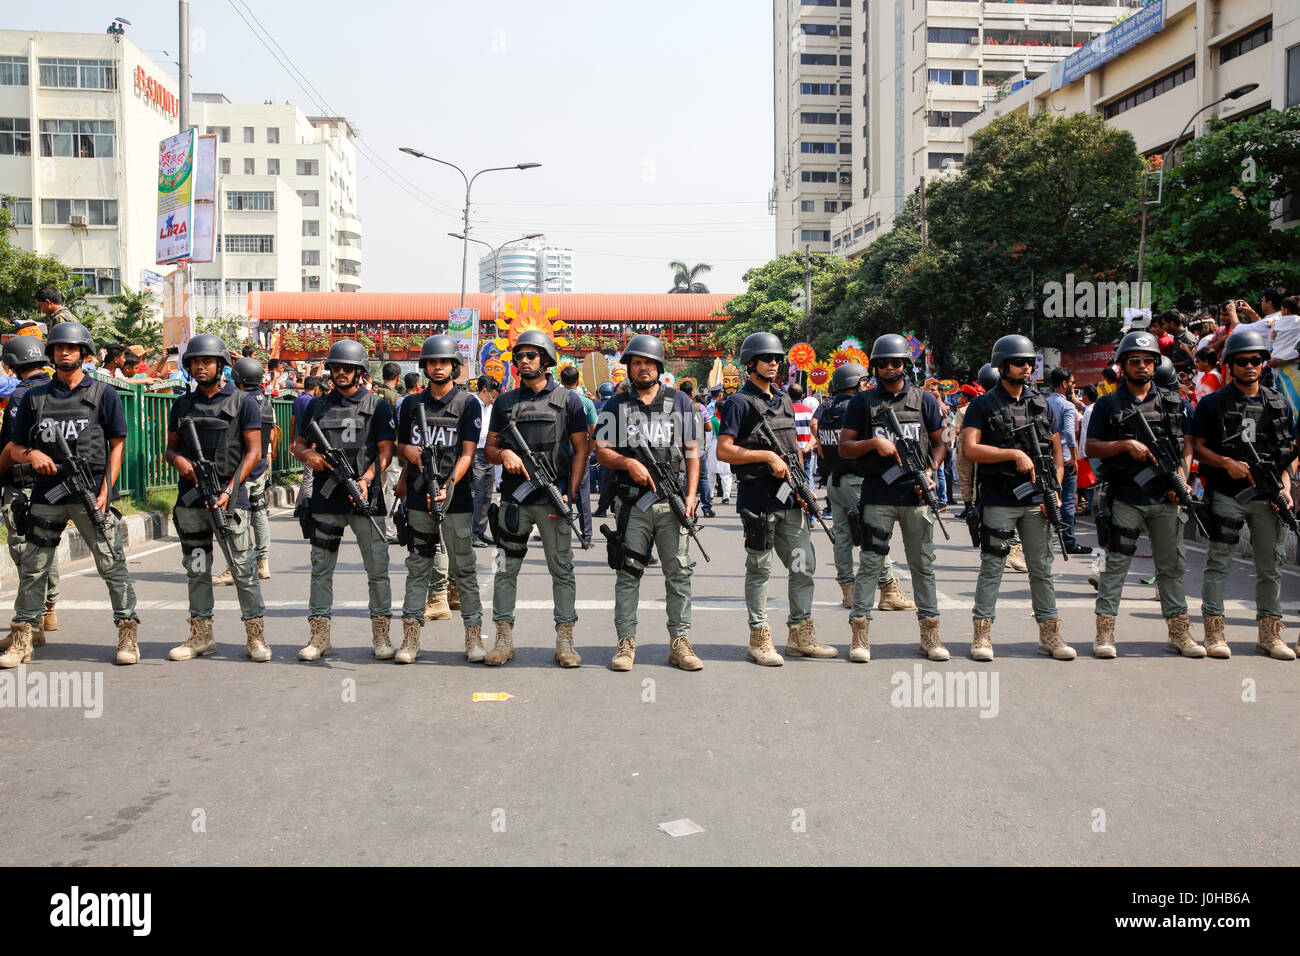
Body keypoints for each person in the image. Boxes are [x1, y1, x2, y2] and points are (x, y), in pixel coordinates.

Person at [0, 322, 141, 667]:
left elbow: (117, 444)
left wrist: (107, 490)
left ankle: (127, 633)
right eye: (58, 348)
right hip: (47, 493)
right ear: (50, 354)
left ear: (84, 354)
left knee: (112, 563)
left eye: (71, 348)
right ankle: (23, 636)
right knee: (34, 566)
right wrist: (31, 454)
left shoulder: (103, 394)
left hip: (91, 491)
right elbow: (16, 446)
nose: (64, 352)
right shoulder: (35, 397)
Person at [717, 332, 836, 666]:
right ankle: (759, 638)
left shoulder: (783, 400)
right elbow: (723, 449)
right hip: (758, 500)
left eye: (777, 359)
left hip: (790, 500)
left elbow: (793, 448)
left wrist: (804, 484)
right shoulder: (738, 403)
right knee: (760, 569)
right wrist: (765, 459)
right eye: (767, 358)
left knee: (803, 565)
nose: (773, 363)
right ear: (751, 363)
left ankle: (800, 634)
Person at [1084, 331, 1203, 659]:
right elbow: (1091, 446)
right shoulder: (1108, 404)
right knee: (1116, 566)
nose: (1141, 366)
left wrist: (1183, 478)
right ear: (1122, 366)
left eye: (1147, 360)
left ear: (1156, 364)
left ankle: (1179, 634)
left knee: (1172, 567)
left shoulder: (1173, 402)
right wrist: (1124, 445)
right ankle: (1104, 633)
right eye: (1133, 360)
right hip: (1125, 498)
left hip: (1165, 498)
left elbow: (1188, 444)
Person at [593, 334, 703, 671]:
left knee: (679, 574)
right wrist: (628, 463)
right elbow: (601, 450)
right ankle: (626, 644)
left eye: (648, 363)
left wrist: (691, 497)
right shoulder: (616, 405)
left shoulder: (681, 402)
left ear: (659, 367)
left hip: (672, 504)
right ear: (629, 368)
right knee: (628, 574)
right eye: (636, 363)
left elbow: (692, 451)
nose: (642, 368)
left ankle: (680, 643)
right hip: (632, 504)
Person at [960, 334, 1073, 662]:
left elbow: (1057, 457)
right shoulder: (983, 405)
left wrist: (1055, 488)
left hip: (1037, 500)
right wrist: (1011, 454)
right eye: (1020, 362)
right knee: (993, 567)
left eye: (1030, 362)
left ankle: (1050, 635)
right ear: (1002, 365)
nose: (1027, 367)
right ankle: (982, 636)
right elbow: (970, 448)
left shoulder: (1043, 404)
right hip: (999, 498)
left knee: (1041, 567)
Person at [837, 335, 949, 663]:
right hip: (877, 494)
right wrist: (874, 444)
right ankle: (859, 636)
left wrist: (930, 470)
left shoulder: (924, 400)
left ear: (905, 364)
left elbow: (941, 441)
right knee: (871, 564)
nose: (889, 368)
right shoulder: (862, 403)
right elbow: (845, 447)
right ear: (874, 366)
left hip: (916, 494)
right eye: (882, 363)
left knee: (922, 565)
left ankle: (930, 635)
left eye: (895, 362)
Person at [1191, 328, 1299, 660]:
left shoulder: (1279, 404)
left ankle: (1270, 635)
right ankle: (1214, 633)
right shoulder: (1213, 404)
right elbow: (1197, 448)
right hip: (1227, 493)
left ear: (1264, 363)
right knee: (1219, 562)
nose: (1250, 366)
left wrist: (1286, 483)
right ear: (1230, 365)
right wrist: (1225, 463)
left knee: (1271, 566)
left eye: (1256, 360)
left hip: (1267, 496)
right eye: (1242, 361)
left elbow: (1289, 452)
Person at [482, 331, 589, 667]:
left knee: (562, 570)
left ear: (546, 360)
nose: (524, 360)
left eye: (531, 355)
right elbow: (489, 448)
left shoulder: (568, 401)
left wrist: (569, 495)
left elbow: (582, 449)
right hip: (515, 499)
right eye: (521, 356)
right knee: (505, 569)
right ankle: (503, 637)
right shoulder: (505, 402)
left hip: (552, 497)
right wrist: (505, 456)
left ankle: (565, 639)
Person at [164, 338, 270, 662]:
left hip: (230, 499)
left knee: (242, 569)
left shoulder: (243, 403)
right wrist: (178, 461)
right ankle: (201, 636)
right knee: (197, 569)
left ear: (222, 364)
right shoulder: (182, 405)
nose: (200, 366)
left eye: (207, 361)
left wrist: (229, 490)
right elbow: (171, 448)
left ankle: (255, 637)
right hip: (192, 501)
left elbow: (254, 451)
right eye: (195, 361)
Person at [290, 340, 396, 661]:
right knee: (321, 569)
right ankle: (319, 636)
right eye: (335, 367)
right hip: (326, 500)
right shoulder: (317, 405)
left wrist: (365, 479)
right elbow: (298, 444)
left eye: (347, 368)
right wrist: (311, 456)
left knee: (377, 569)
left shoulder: (377, 406)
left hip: (366, 500)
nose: (340, 373)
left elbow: (385, 451)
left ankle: (381, 635)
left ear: (360, 371)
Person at [394, 336, 483, 663]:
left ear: (454, 366)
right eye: (432, 362)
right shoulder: (409, 404)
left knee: (464, 567)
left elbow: (468, 454)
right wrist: (409, 451)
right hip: (419, 496)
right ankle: (410, 639)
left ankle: (474, 638)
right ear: (425, 367)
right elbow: (398, 447)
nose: (438, 366)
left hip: (455, 498)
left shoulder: (468, 403)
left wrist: (447, 485)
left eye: (444, 362)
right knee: (418, 566)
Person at [813, 361, 916, 612]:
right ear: (855, 383)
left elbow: (822, 448)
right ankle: (889, 590)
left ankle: (848, 591)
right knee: (874, 536)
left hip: (834, 481)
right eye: (863, 382)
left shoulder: (826, 410)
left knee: (842, 539)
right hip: (857, 479)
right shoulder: (857, 407)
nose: (866, 386)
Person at [0, 337, 60, 646]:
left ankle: (30, 622)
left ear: (12, 365)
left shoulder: (21, 396)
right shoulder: (56, 389)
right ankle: (49, 609)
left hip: (22, 482)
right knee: (45, 543)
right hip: (50, 483)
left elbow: (12, 447)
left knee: (24, 548)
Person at [211, 357, 276, 585]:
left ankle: (234, 566)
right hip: (260, 466)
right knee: (259, 514)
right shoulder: (265, 401)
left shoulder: (240, 401)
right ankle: (263, 563)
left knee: (237, 517)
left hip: (242, 467)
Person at [1046, 366, 1090, 555]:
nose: (1074, 386)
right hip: (1065, 459)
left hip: (1048, 459)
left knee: (1047, 500)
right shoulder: (1067, 406)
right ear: (1064, 384)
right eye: (1072, 383)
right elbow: (1070, 436)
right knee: (1068, 502)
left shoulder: (1045, 403)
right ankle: (1069, 541)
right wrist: (1074, 459)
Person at [560, 365, 597, 548]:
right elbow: (594, 431)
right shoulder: (587, 403)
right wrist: (589, 452)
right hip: (579, 452)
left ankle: (556, 533)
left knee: (558, 492)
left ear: (561, 381)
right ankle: (586, 537)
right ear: (578, 381)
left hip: (559, 454)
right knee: (583, 496)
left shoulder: (555, 400)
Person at [470, 374, 501, 548]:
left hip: (489, 451)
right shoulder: (472, 404)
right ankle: (473, 533)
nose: (493, 400)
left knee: (487, 494)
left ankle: (481, 531)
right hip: (475, 451)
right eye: (492, 397)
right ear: (484, 391)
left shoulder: (490, 406)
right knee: (477, 492)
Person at [375, 362, 405, 542]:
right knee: (393, 492)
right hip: (393, 452)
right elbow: (401, 425)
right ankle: (390, 531)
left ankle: (376, 528)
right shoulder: (397, 398)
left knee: (378, 490)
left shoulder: (372, 395)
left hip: (375, 450)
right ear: (398, 377)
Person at [705, 383, 733, 504]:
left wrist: (706, 449)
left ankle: (710, 494)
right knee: (726, 474)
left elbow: (709, 436)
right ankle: (726, 496)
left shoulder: (712, 420)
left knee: (711, 473)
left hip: (714, 447)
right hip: (727, 446)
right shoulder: (730, 420)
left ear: (716, 409)